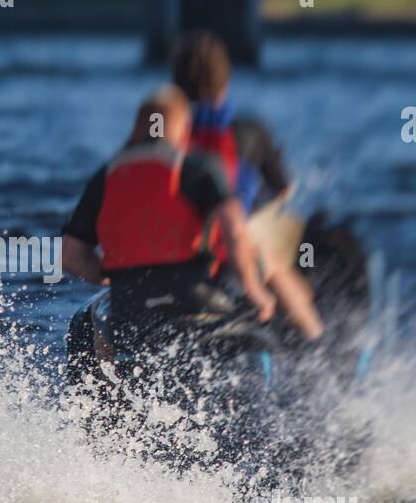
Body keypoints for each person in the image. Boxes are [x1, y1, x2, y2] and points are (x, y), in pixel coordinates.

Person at [60, 85, 274, 355]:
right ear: (184, 129)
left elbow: (70, 256)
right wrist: (254, 290)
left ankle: (106, 394)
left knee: (84, 322)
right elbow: (234, 231)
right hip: (194, 302)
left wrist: (113, 277)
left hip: (129, 309)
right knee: (259, 320)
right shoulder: (199, 167)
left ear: (136, 128)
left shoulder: (105, 176)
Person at [171, 32, 324, 341]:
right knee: (275, 264)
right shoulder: (248, 129)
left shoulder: (164, 132)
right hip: (231, 246)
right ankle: (317, 342)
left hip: (174, 245)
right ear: (224, 80)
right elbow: (283, 190)